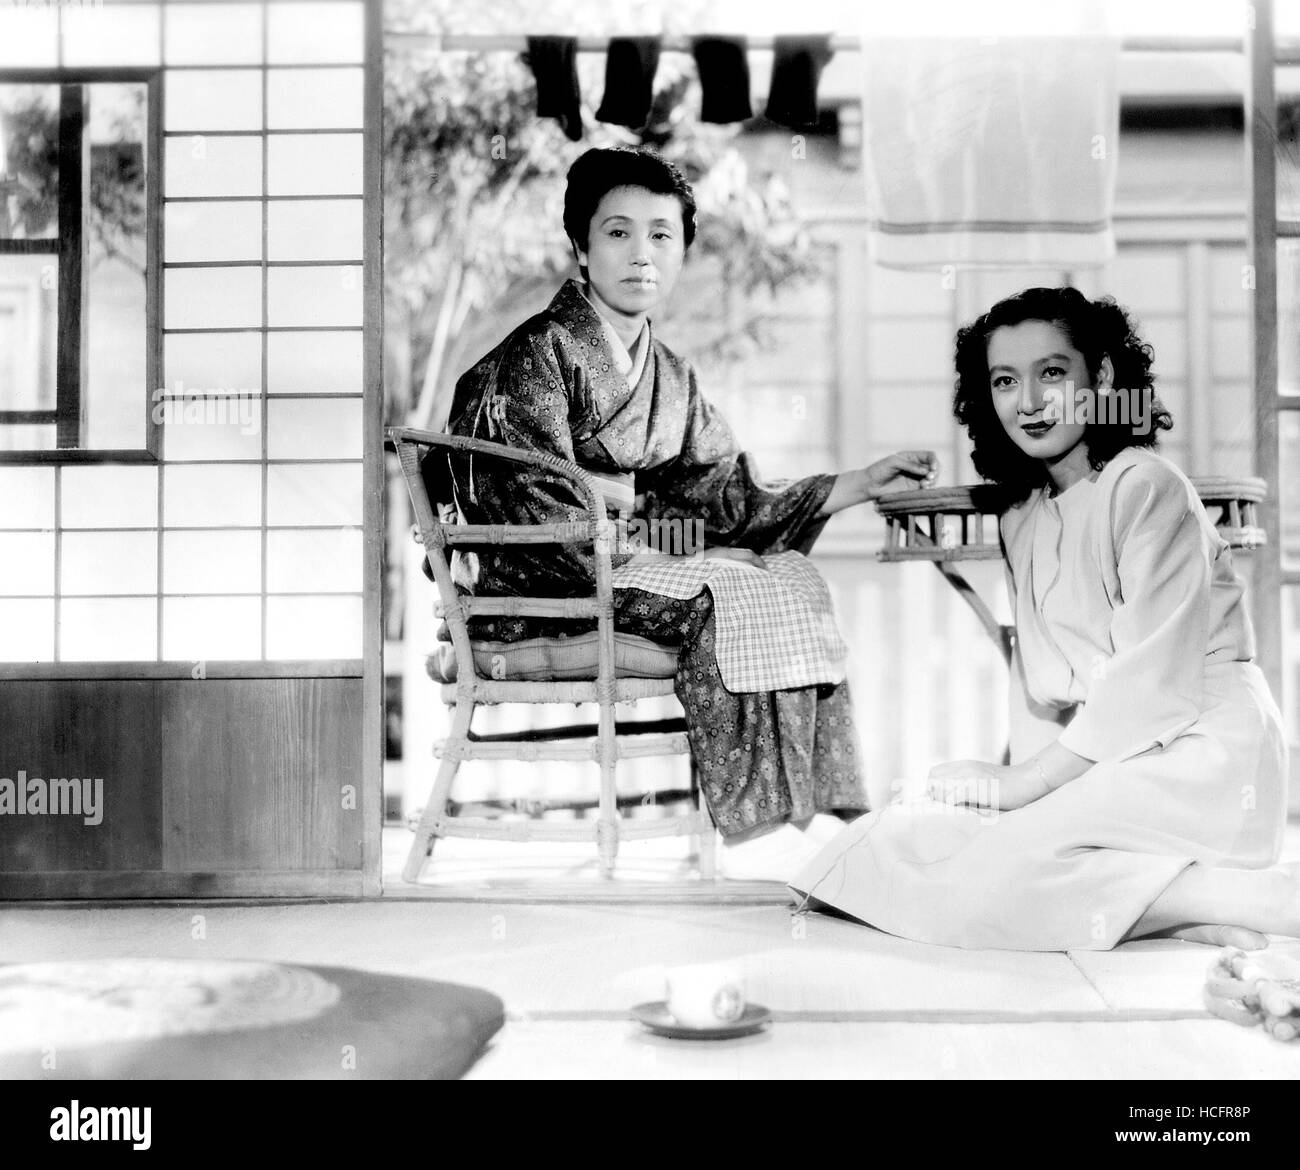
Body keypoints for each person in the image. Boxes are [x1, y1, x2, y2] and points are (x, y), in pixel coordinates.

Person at [430, 146, 938, 878]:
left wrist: (860, 481)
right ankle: (759, 826)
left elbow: (727, 496)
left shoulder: (671, 376)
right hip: (538, 590)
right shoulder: (534, 357)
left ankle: (818, 810)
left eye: (662, 235)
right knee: (717, 591)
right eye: (618, 233)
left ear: (682, 250)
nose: (643, 255)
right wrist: (678, 558)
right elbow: (535, 514)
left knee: (789, 576)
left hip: (620, 573)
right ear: (581, 246)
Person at [791, 286, 1298, 949]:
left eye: (1051, 373)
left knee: (982, 881)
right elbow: (1039, 688)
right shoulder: (1022, 515)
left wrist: (1026, 787)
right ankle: (1178, 905)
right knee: (892, 838)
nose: (1027, 401)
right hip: (1103, 757)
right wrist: (1012, 794)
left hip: (1197, 751)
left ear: (1102, 377)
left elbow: (1150, 683)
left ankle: (1260, 898)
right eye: (1005, 380)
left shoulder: (1145, 487)